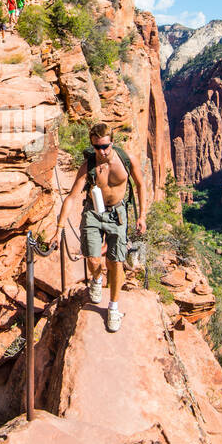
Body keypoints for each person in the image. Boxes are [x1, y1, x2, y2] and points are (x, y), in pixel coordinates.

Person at [57, 122, 147, 331]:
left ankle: (113, 308)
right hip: (93, 212)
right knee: (92, 256)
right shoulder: (88, 166)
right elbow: (71, 197)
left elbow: (141, 185)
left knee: (115, 261)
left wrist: (141, 216)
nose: (102, 151)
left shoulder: (126, 160)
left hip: (118, 214)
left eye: (105, 146)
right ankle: (97, 278)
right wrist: (60, 226)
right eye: (97, 147)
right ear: (92, 145)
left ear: (112, 143)